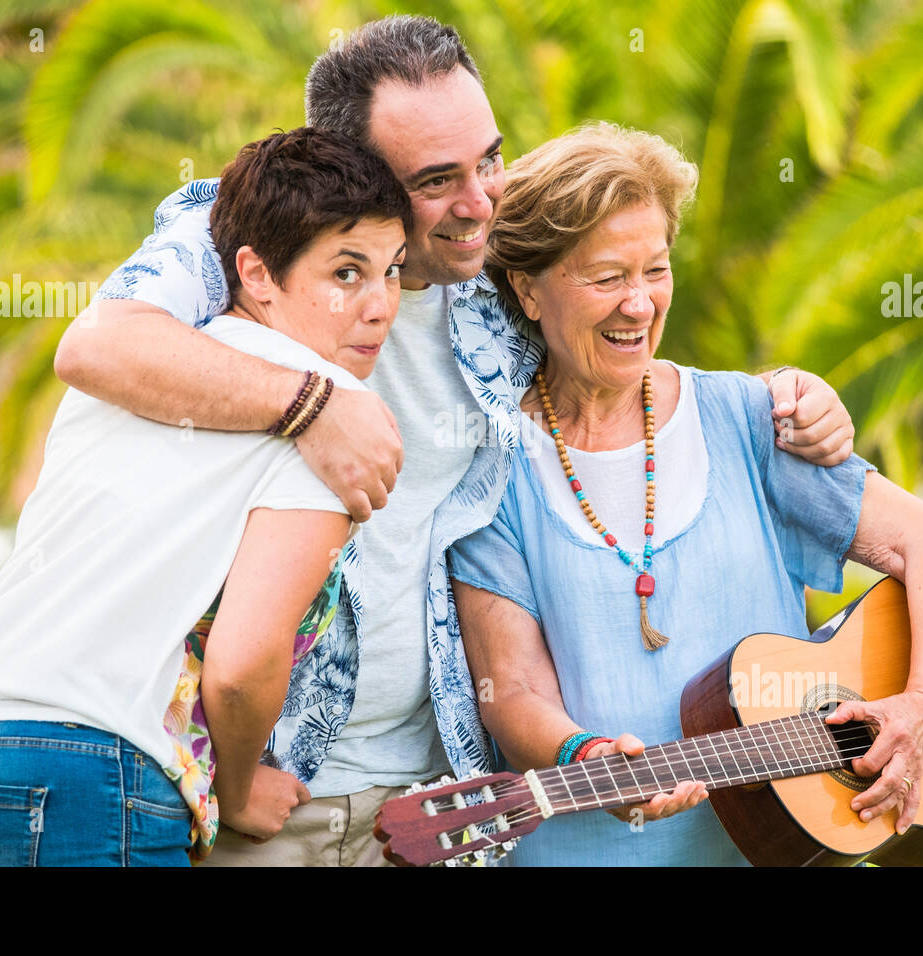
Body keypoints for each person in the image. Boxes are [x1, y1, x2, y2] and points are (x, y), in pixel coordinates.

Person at [52, 15, 859, 867]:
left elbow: (606, 315)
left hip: (434, 800)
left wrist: (778, 396)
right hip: (261, 787)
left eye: (490, 160)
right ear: (356, 172)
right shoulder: (248, 231)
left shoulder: (490, 275)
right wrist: (315, 406)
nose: (479, 202)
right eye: (438, 178)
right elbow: (96, 344)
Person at [448, 123, 923, 866]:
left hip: (780, 848)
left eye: (656, 270)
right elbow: (507, 690)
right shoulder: (493, 470)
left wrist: (920, 707)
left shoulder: (749, 419)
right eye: (607, 277)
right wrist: (587, 751)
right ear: (528, 290)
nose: (640, 305)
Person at [0, 126, 411, 866]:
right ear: (257, 275)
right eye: (347, 273)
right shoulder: (332, 415)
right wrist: (235, 787)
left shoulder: (154, 356)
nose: (382, 304)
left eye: (393, 271)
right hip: (90, 772)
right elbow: (243, 662)